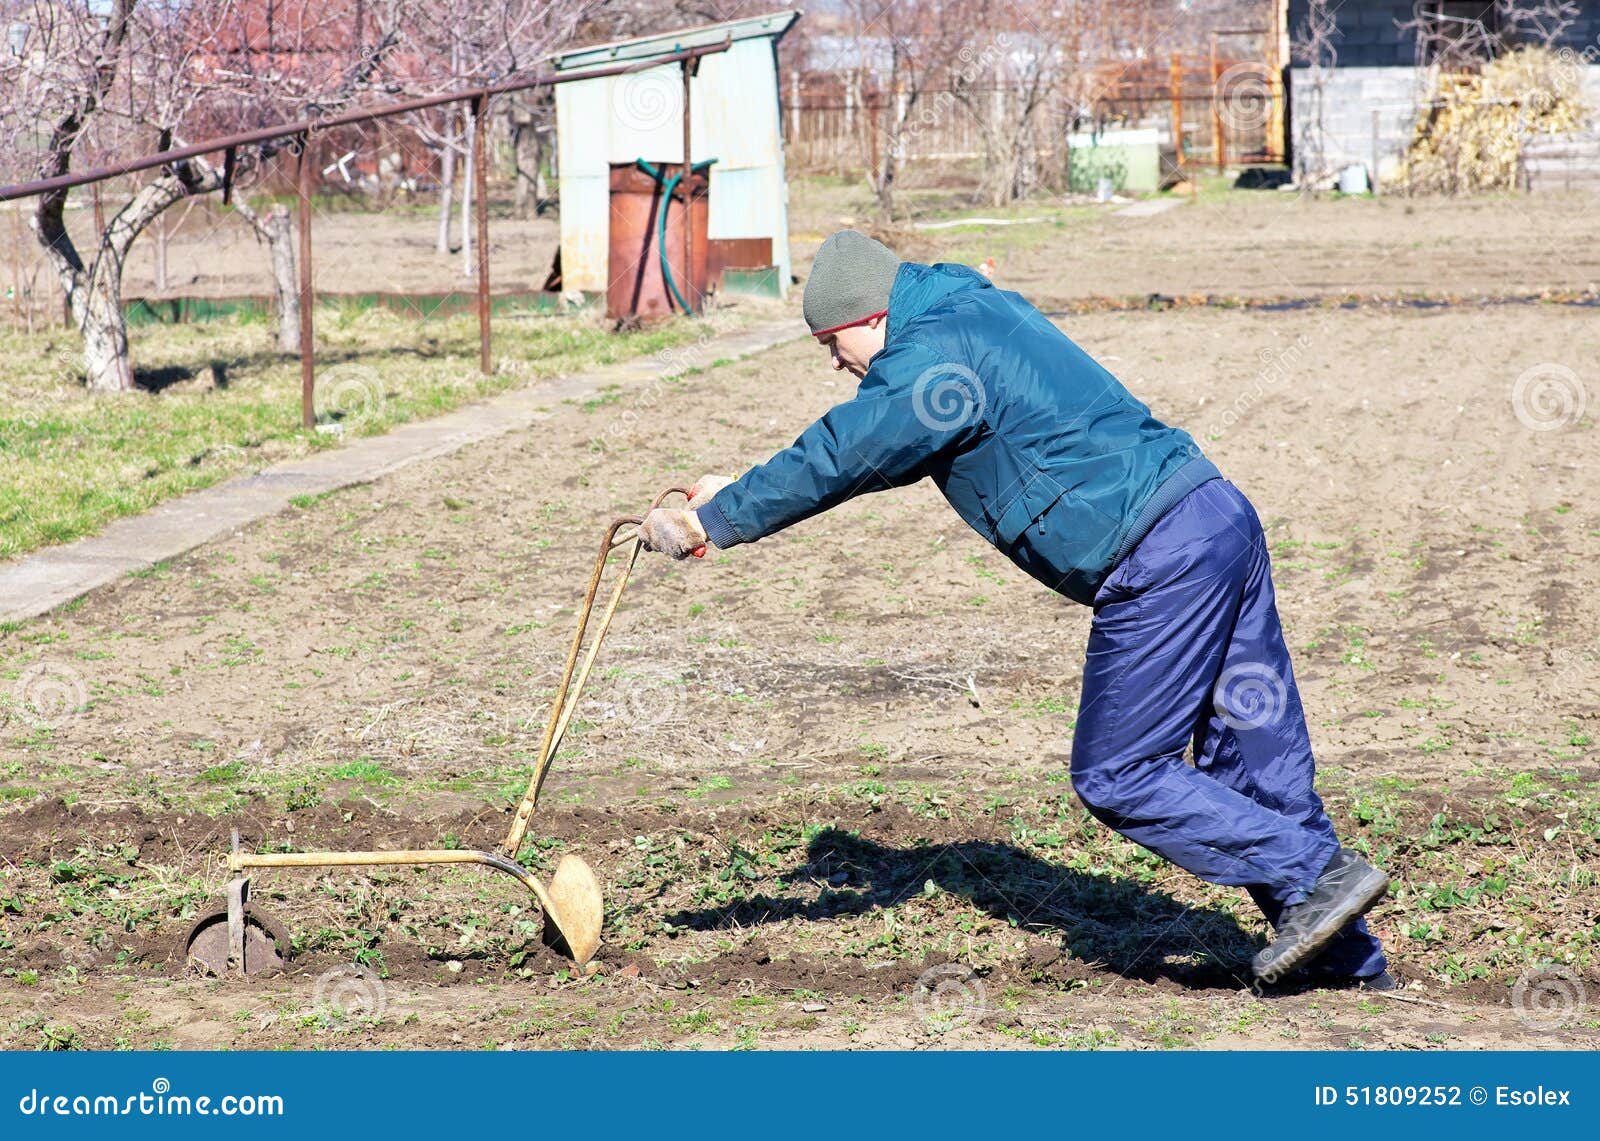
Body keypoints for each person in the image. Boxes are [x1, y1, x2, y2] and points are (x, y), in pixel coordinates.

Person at [638, 230, 1393, 989]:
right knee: (1255, 757)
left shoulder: (932, 358)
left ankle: (1318, 871)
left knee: (1120, 771)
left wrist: (719, 517)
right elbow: (882, 439)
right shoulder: (968, 309)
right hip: (1214, 514)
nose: (837, 363)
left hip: (1158, 557)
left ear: (870, 317)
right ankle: (1351, 967)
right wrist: (734, 488)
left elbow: (851, 449)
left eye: (833, 344)